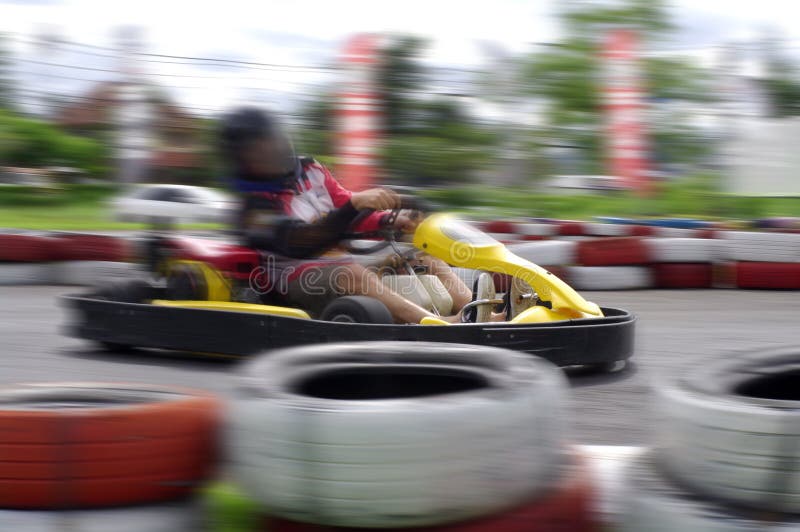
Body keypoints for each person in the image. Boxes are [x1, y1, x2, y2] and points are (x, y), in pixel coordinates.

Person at [219, 107, 475, 324]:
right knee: (349, 272)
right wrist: (355, 204)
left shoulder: (311, 170)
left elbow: (347, 209)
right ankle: (436, 324)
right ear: (242, 158)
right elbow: (303, 241)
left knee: (423, 256)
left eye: (269, 141)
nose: (268, 150)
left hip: (344, 267)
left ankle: (474, 312)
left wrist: (389, 220)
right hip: (295, 282)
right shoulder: (252, 210)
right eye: (256, 149)